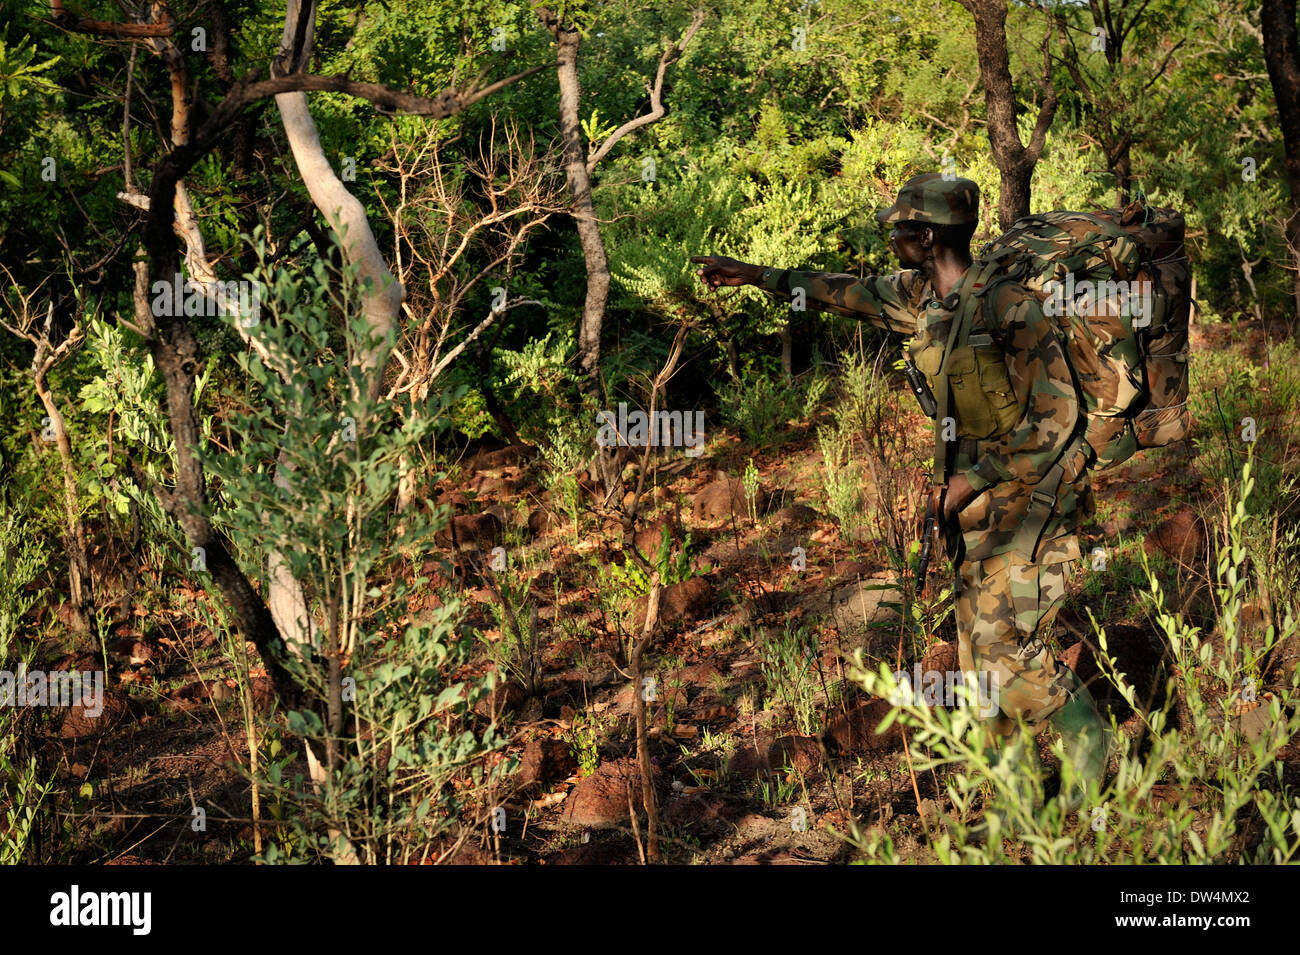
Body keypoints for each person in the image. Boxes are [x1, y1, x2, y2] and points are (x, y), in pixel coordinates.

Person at [691, 173, 1107, 816]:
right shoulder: (919, 298)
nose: (889, 238)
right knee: (975, 659)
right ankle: (1017, 801)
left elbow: (1057, 420)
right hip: (973, 510)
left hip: (1030, 503)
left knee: (1003, 656)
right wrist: (752, 274)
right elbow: (834, 291)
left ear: (928, 234)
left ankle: (1094, 757)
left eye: (898, 228)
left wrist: (976, 476)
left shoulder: (1009, 306)